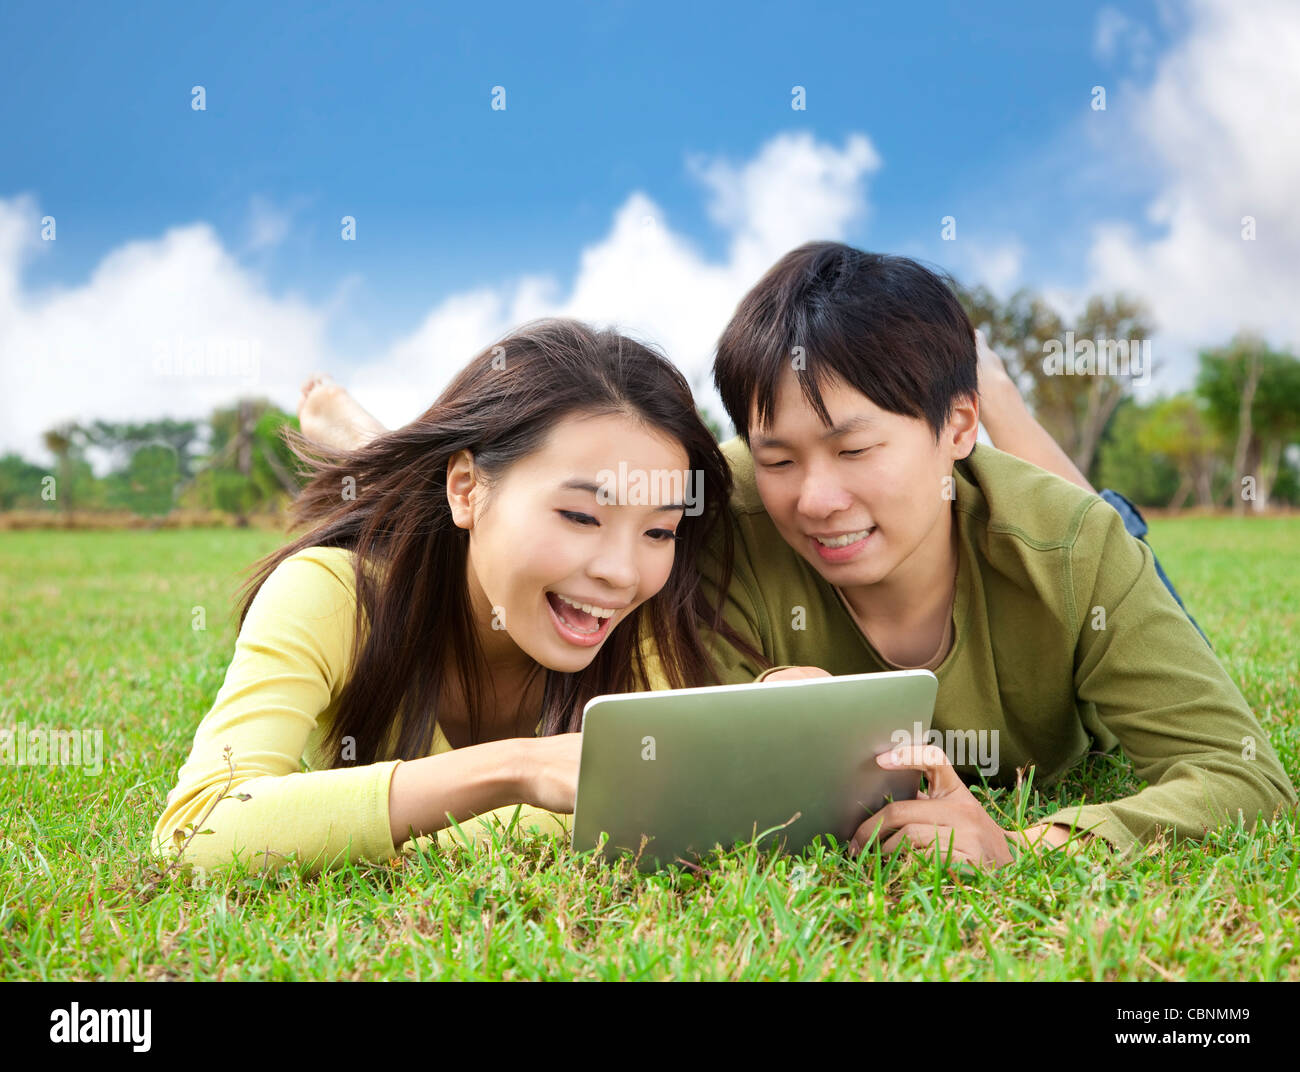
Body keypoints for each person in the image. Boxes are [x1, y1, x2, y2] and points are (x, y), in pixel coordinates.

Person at [698, 242, 1295, 866]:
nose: (815, 501)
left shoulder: (1074, 545)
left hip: (1066, 534)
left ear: (958, 427)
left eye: (854, 451)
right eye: (778, 460)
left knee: (1107, 527)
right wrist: (764, 697)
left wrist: (1021, 846)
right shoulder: (726, 511)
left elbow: (1243, 777)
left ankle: (1001, 398)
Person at [150, 319, 759, 877]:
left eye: (659, 530)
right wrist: (522, 769)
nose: (622, 574)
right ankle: (369, 447)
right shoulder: (334, 593)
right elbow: (199, 830)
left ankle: (367, 445)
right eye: (580, 515)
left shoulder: (641, 614)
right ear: (465, 486)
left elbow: (661, 808)